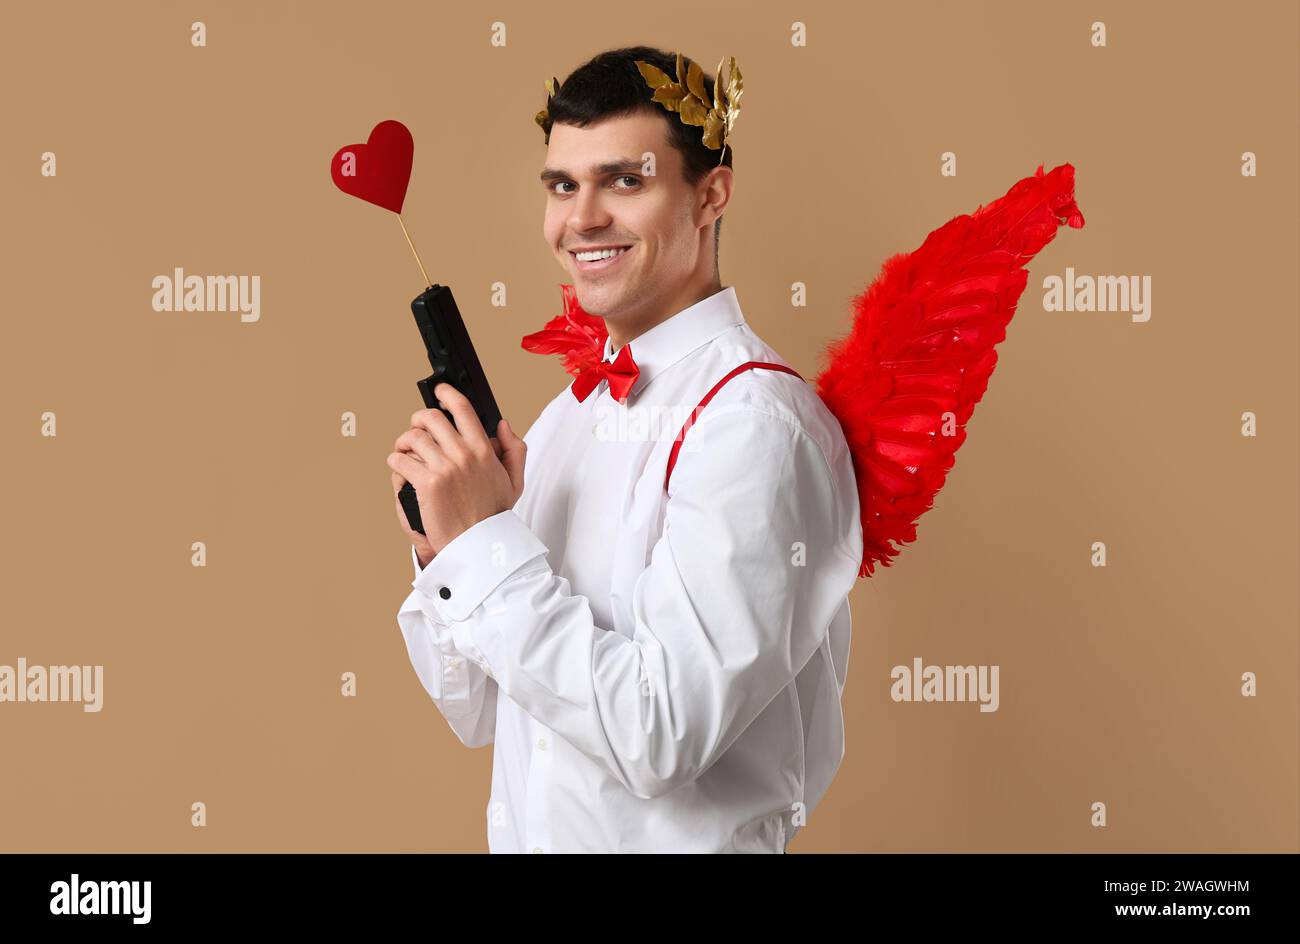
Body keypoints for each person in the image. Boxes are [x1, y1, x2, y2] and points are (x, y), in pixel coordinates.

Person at [387, 45, 863, 853]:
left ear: (710, 194)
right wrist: (448, 553)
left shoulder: (753, 423)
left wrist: (486, 546)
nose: (582, 219)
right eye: (563, 186)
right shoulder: (568, 415)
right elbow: (479, 710)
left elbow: (660, 734)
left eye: (625, 181)